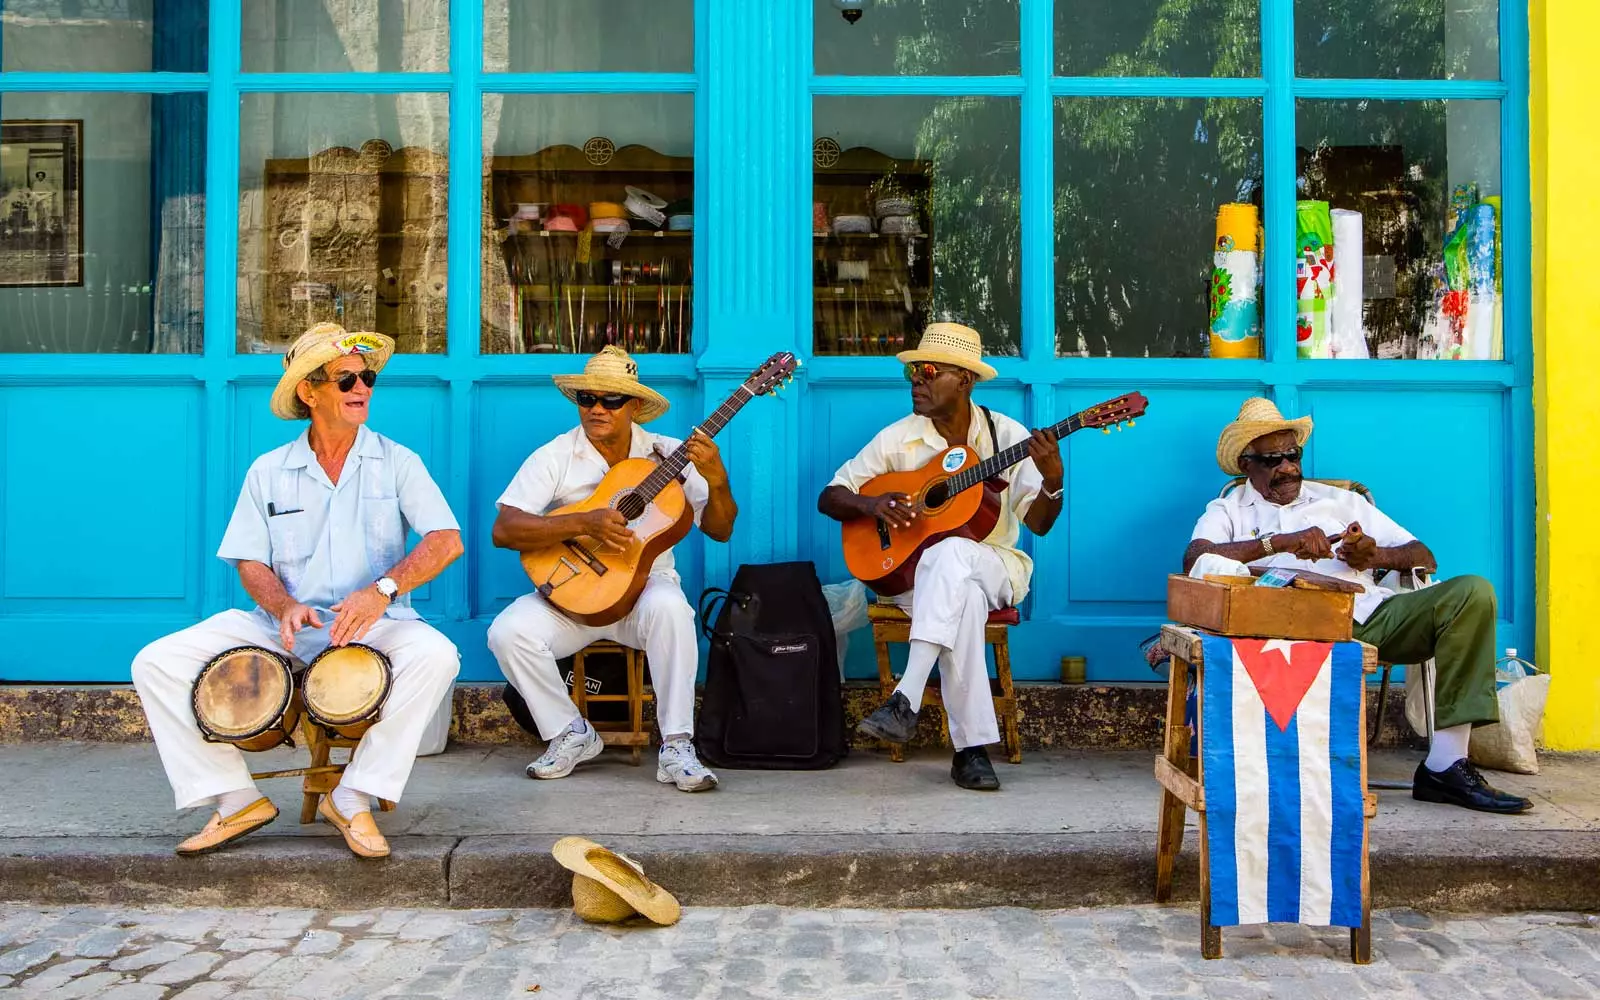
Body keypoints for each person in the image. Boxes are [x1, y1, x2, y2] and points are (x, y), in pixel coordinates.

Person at [130, 323, 465, 858]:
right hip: (279, 626)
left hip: (375, 624)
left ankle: (353, 795)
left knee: (439, 655)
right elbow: (248, 560)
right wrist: (283, 605)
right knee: (155, 661)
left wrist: (381, 591)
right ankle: (234, 797)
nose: (362, 389)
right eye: (346, 379)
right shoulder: (269, 470)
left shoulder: (398, 462)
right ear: (309, 392)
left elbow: (447, 541)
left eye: (368, 377)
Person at [1185, 397, 1531, 814]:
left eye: (1292, 455)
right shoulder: (1228, 509)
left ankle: (1445, 764)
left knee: (1472, 593)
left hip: (1364, 618)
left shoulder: (1341, 502)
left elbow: (1423, 554)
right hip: (1275, 625)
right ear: (1246, 464)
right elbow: (1194, 559)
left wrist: (1374, 557)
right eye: (1271, 460)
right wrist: (1277, 544)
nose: (1287, 468)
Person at [817, 323, 1063, 790]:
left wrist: (1053, 479)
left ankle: (904, 696)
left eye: (929, 371)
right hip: (917, 579)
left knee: (953, 553)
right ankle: (969, 752)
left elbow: (1040, 524)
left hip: (997, 565)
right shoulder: (899, 438)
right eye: (913, 372)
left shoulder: (1005, 436)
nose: (917, 381)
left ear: (965, 380)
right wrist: (873, 505)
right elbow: (830, 497)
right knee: (961, 600)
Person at [487, 346, 737, 792]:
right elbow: (504, 530)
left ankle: (677, 745)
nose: (597, 409)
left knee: (673, 612)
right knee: (507, 632)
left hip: (645, 588)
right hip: (574, 593)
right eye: (587, 399)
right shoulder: (556, 455)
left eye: (611, 400)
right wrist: (585, 521)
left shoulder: (671, 455)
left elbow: (720, 530)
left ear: (635, 407)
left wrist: (717, 480)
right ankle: (570, 732)